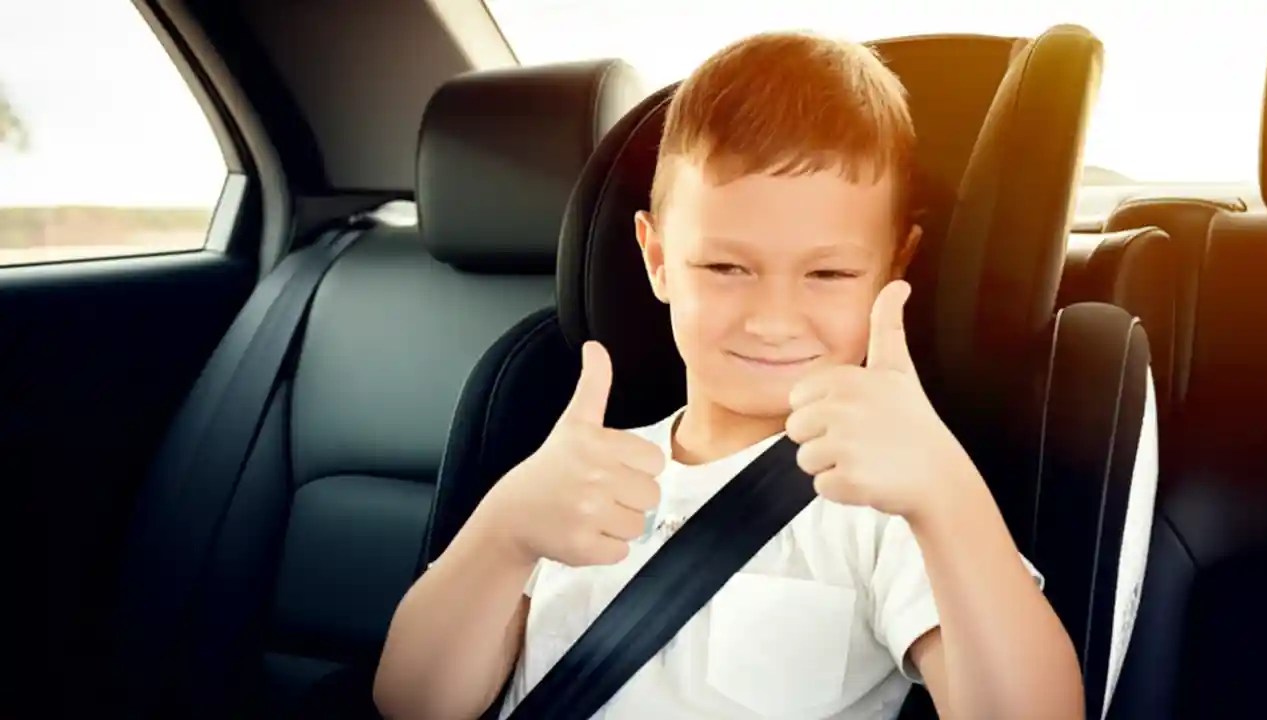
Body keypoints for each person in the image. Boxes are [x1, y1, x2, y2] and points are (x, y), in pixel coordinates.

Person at [374, 31, 1085, 720]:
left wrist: (948, 497)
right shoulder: (577, 475)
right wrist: (504, 532)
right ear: (656, 258)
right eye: (725, 267)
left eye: (829, 273)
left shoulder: (890, 506)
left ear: (893, 269)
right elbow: (414, 702)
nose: (773, 319)